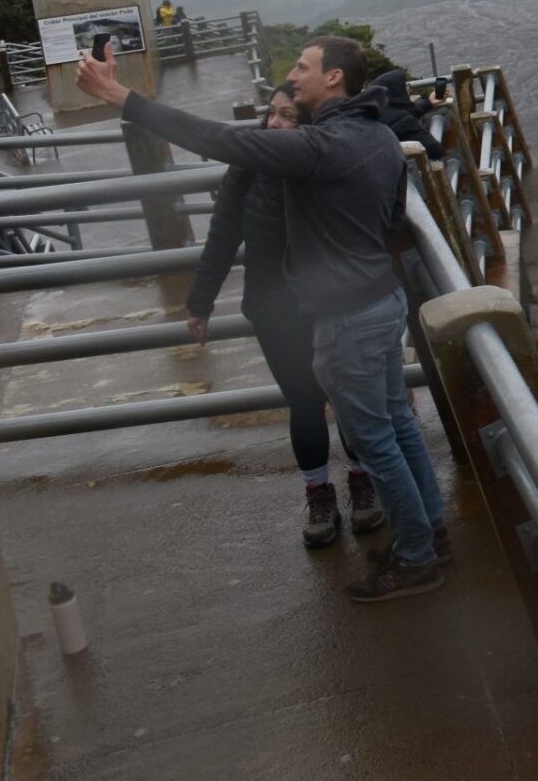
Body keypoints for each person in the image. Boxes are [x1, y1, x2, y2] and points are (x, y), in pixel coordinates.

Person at [76, 34, 450, 603]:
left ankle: (417, 557)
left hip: (346, 318)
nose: (292, 75)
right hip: (383, 300)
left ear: (334, 79)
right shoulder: (379, 134)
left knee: (375, 438)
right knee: (397, 423)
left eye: (303, 66)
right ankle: (431, 534)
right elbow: (392, 218)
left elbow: (218, 139)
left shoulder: (320, 147)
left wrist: (121, 97)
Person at [184, 83, 384, 548]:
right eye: (271, 114)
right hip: (273, 310)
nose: (275, 124)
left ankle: (363, 480)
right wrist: (200, 301)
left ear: (309, 123)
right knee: (305, 402)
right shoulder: (250, 166)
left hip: (331, 304)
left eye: (288, 116)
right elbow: (223, 234)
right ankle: (319, 494)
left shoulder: (327, 163)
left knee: (351, 396)